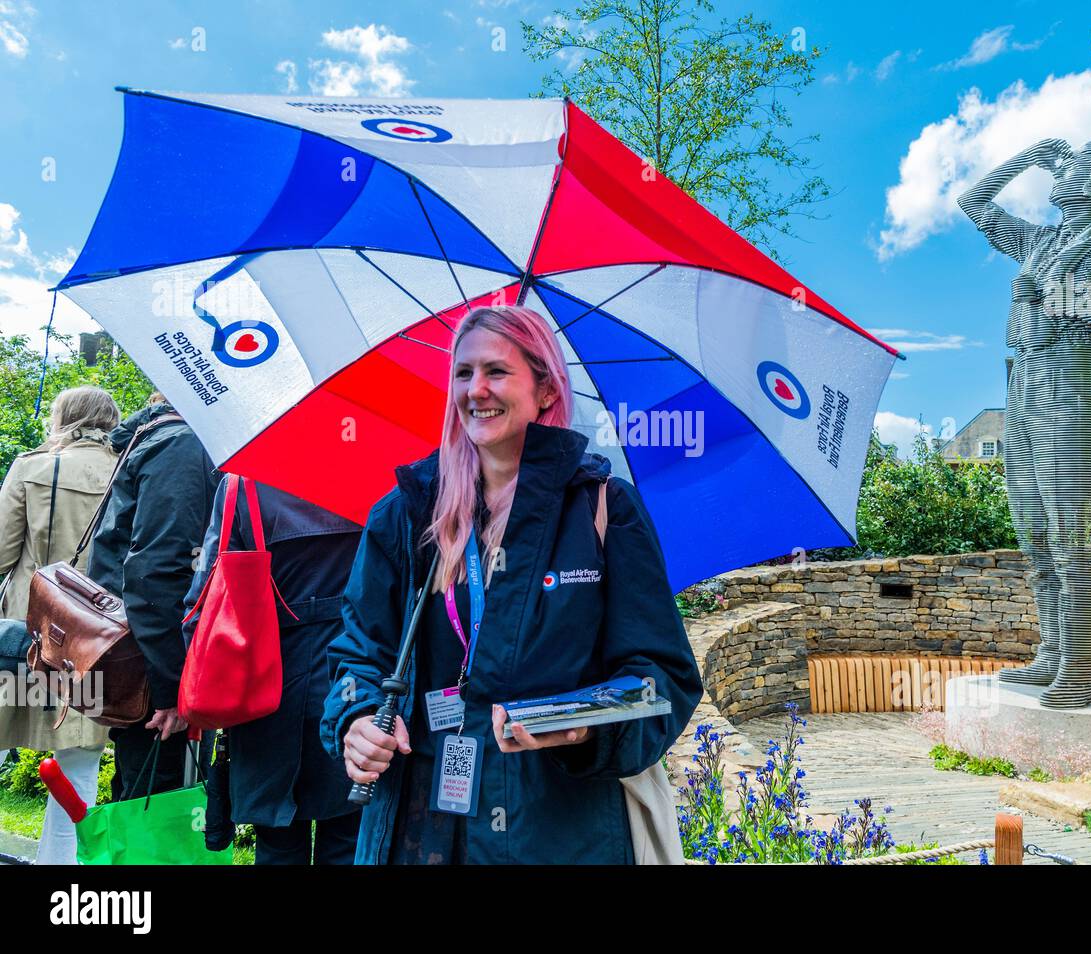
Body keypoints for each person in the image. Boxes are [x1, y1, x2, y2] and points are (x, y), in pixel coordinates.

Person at [321, 305, 703, 864]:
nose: (476, 389)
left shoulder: (603, 508)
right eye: (463, 372)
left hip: (558, 827)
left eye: (497, 372)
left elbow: (661, 678)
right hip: (422, 830)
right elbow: (358, 654)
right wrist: (354, 721)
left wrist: (586, 728)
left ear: (545, 390)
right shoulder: (406, 514)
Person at [958, 139, 1091, 708]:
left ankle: (1077, 667)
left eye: (1071, 166)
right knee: (1033, 533)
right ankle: (1052, 653)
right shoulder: (1042, 236)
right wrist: (1025, 155)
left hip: (1069, 392)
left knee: (1071, 537)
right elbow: (973, 202)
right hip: (1023, 385)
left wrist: (1063, 295)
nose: (1060, 170)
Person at [182, 477, 363, 864]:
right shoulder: (375, 477)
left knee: (277, 842)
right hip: (354, 680)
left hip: (265, 688)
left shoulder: (244, 483)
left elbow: (202, 602)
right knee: (350, 836)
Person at [0, 386, 120, 864]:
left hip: (25, 638)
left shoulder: (31, 468)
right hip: (96, 644)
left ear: (62, 419)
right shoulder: (129, 472)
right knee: (77, 769)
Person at [88, 395, 221, 798]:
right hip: (154, 661)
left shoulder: (157, 436)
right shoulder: (183, 445)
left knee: (140, 797)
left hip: (141, 653)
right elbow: (157, 571)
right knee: (157, 801)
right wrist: (172, 690)